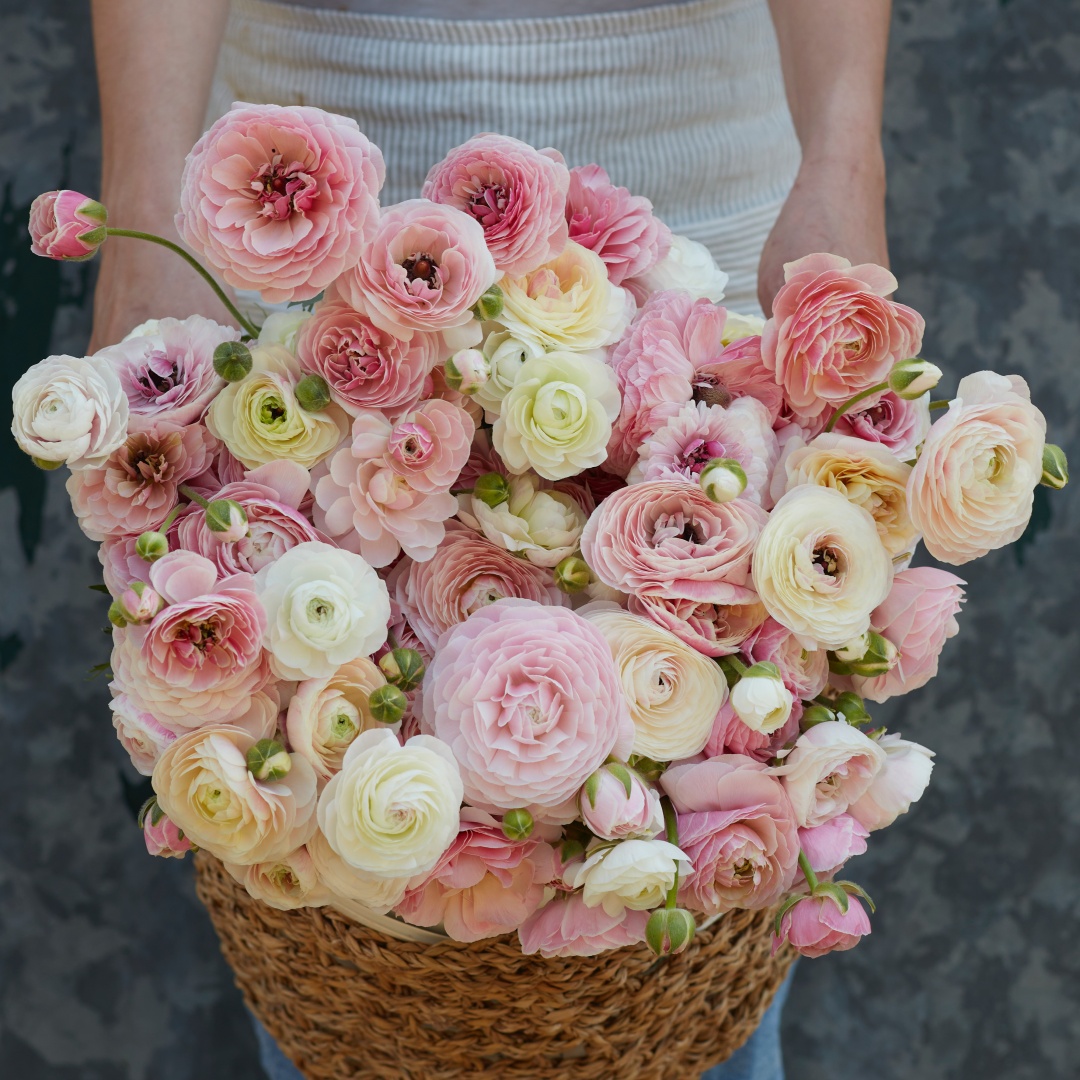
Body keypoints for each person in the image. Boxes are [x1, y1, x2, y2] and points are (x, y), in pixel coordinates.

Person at [89, 2, 891, 1077]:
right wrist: (145, 210)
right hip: (301, 254)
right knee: (342, 944)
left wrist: (846, 158)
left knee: (695, 930)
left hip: (707, 229)